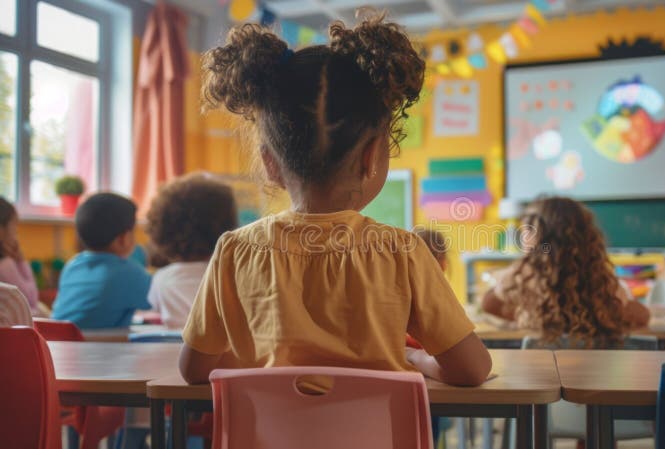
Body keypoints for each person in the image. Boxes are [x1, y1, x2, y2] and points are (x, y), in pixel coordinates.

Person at [179, 12, 491, 387]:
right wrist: (416, 359)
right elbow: (473, 370)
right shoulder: (403, 253)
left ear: (269, 162)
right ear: (371, 156)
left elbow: (194, 371)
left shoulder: (234, 251)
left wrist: (257, 360)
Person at [482, 196, 650, 347]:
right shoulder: (600, 281)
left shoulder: (521, 279)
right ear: (587, 237)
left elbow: (488, 305)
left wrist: (527, 316)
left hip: (537, 377)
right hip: (595, 377)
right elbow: (642, 316)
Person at [146, 173, 238, 328]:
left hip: (174, 351)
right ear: (228, 223)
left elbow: (157, 311)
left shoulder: (161, 279)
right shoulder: (232, 275)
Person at [51, 193, 151, 329]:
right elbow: (162, 299)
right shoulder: (128, 273)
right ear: (123, 238)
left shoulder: (71, 266)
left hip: (57, 345)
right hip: (97, 348)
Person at [0, 197, 38, 309]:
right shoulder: (5, 265)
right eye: (14, 227)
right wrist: (21, 261)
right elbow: (31, 300)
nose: (16, 234)